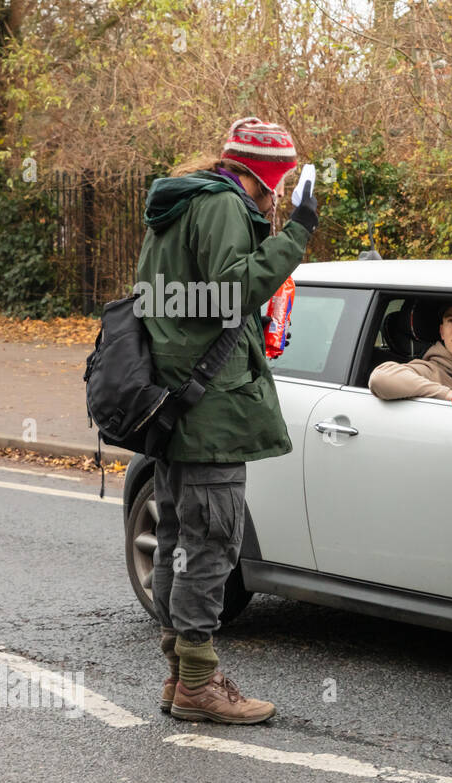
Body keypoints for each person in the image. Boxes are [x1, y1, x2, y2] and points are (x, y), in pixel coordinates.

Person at [139, 116, 319, 724]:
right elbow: (229, 291)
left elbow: (175, 300)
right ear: (266, 175)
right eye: (283, 180)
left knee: (179, 541)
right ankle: (197, 683)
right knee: (212, 541)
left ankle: (180, 674)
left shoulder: (182, 205)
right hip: (208, 406)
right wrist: (298, 233)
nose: (281, 193)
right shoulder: (219, 208)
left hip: (177, 399)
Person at [369, 303, 452, 399]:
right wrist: (451, 396)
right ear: (442, 332)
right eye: (451, 321)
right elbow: (379, 378)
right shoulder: (428, 372)